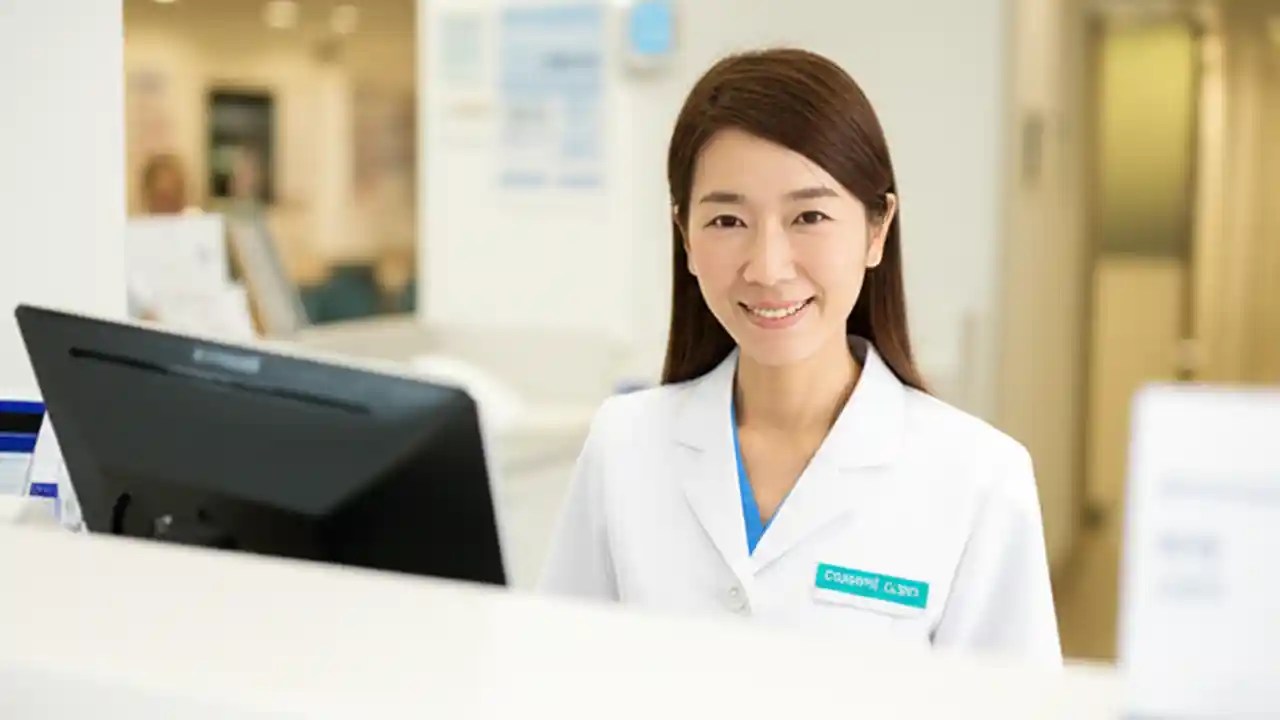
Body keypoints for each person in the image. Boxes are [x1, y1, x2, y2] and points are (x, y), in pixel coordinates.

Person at [540, 48, 1061, 664]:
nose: (768, 267)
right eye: (727, 221)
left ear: (877, 229)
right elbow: (559, 676)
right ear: (685, 237)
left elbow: (1014, 703)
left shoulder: (979, 477)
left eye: (808, 216)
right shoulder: (624, 444)